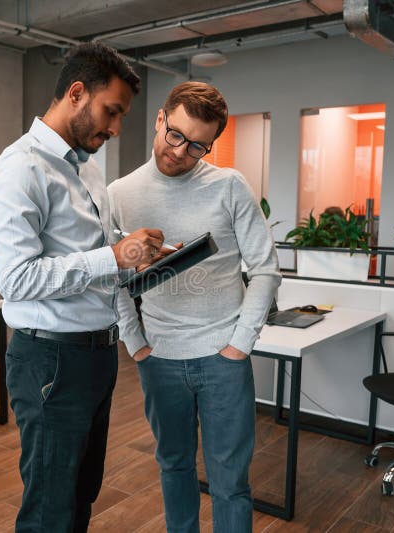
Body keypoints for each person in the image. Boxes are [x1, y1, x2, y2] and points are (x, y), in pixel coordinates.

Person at [0, 43, 168, 532]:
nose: (115, 128)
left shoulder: (86, 167)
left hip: (96, 356)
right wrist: (112, 255)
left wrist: (135, 260)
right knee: (50, 506)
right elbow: (16, 280)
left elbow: (94, 260)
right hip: (50, 362)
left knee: (82, 494)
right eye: (112, 112)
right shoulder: (19, 168)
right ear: (77, 92)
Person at [108, 82, 281, 533]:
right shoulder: (120, 195)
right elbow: (116, 281)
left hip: (223, 357)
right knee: (174, 469)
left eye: (199, 146)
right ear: (160, 119)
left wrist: (239, 345)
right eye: (177, 135)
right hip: (160, 359)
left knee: (230, 483)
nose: (182, 152)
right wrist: (136, 344)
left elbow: (265, 268)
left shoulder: (228, 185)